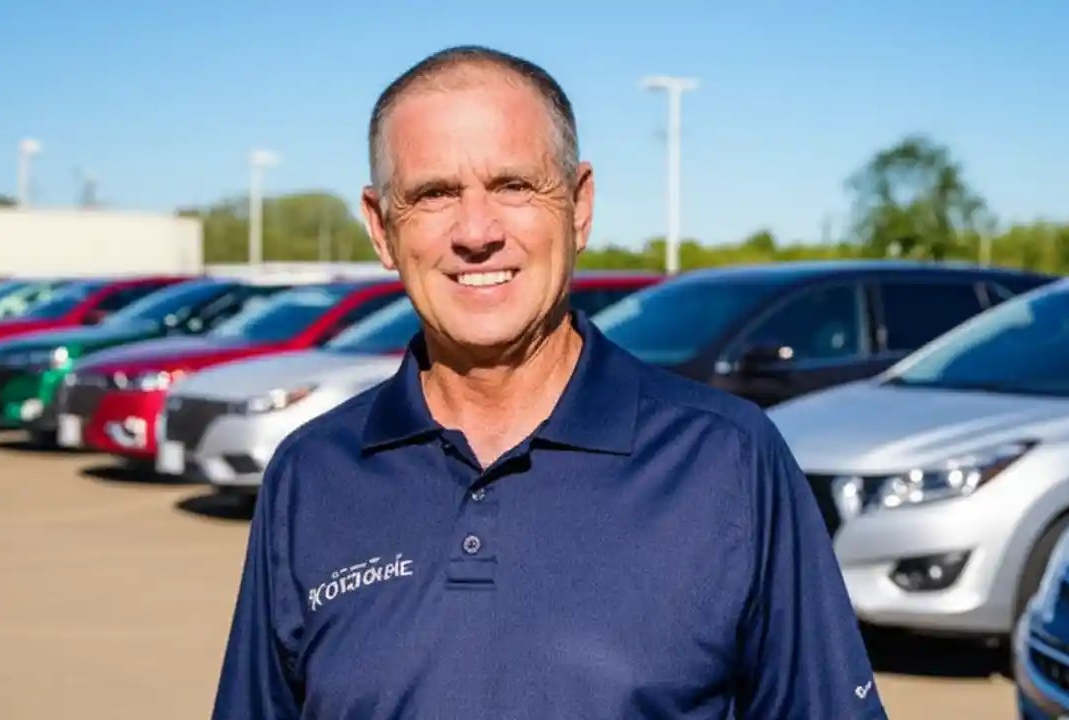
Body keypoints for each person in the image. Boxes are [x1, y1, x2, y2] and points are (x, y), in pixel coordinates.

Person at [211, 45, 887, 719]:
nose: (476, 232)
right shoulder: (312, 474)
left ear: (580, 204)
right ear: (382, 228)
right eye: (433, 194)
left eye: (513, 186)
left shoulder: (727, 461)